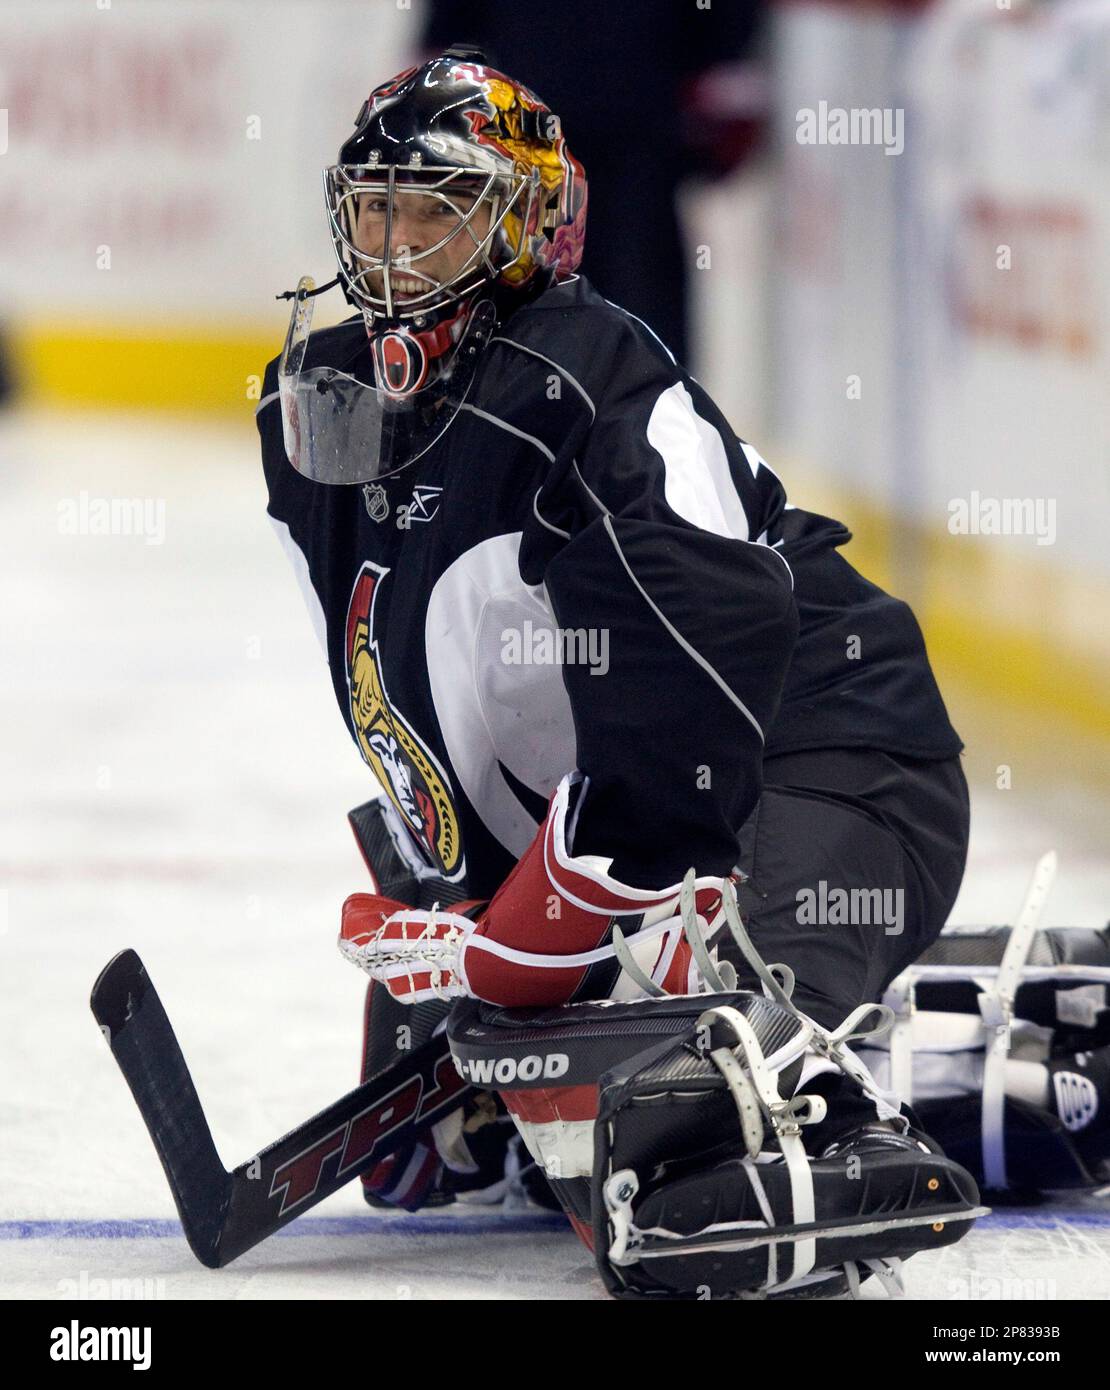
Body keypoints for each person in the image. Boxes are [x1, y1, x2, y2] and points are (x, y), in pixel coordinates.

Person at [256, 49, 981, 1296]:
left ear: (530, 223)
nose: (391, 249)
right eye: (373, 211)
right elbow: (418, 680)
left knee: (711, 1057)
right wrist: (468, 908)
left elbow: (689, 699)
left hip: (835, 755)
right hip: (655, 809)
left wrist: (521, 948)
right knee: (625, 1076)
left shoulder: (587, 384)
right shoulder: (314, 405)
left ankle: (863, 1086)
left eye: (437, 213)